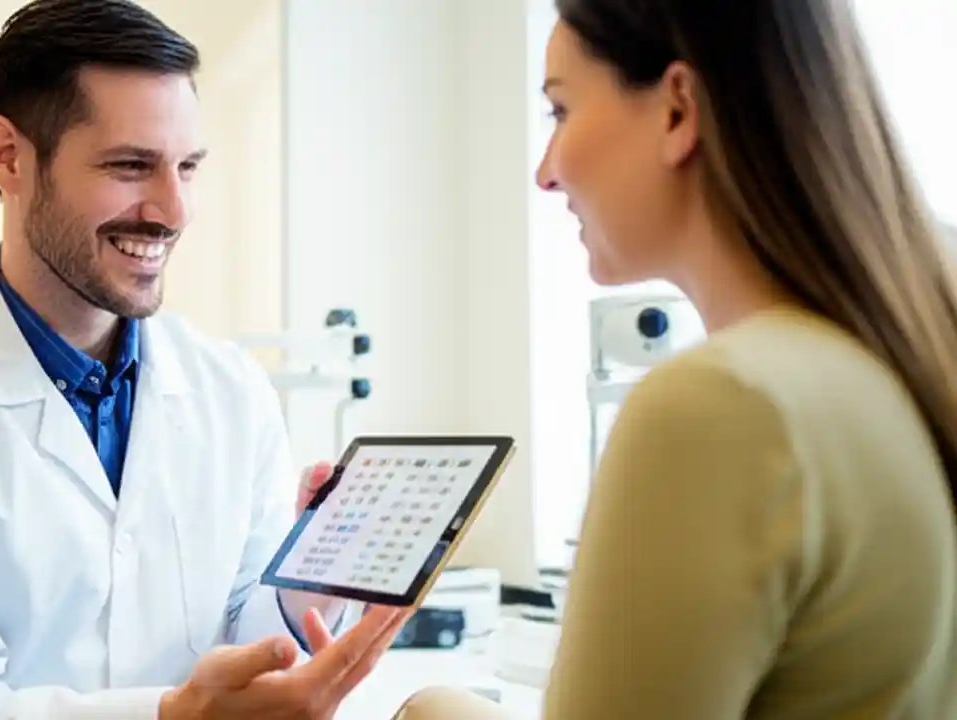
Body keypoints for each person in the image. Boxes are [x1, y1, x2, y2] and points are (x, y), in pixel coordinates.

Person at [0, 1, 410, 718]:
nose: (173, 209)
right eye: (131, 166)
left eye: (188, 167)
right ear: (8, 157)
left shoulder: (230, 391)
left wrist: (308, 583)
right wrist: (174, 716)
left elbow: (237, 633)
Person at [396, 0, 957, 718]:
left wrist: (434, 709)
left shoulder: (723, 406)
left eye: (560, 113)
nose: (545, 172)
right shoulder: (903, 356)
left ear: (676, 110)